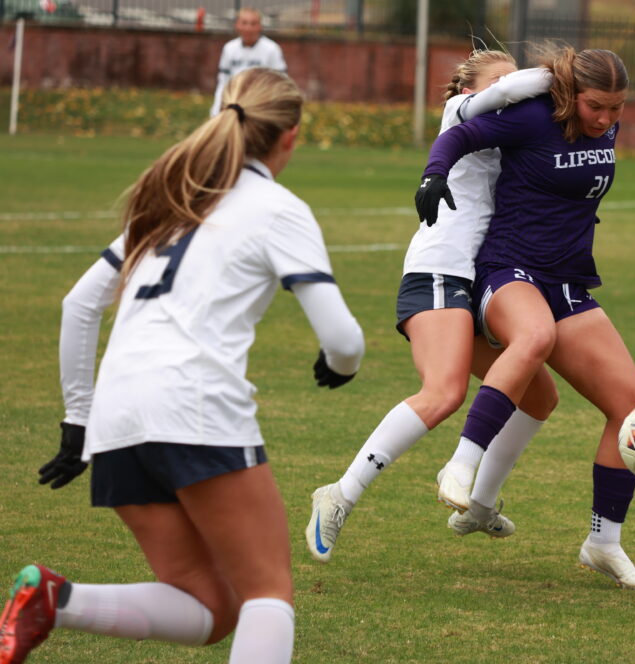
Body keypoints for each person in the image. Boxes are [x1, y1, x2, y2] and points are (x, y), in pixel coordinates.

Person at [0, 68, 364, 664]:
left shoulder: (170, 198)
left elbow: (79, 305)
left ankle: (53, 601)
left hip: (117, 418)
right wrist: (340, 364)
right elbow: (344, 340)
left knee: (210, 607)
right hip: (194, 406)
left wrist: (77, 418)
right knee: (267, 592)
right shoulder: (278, 207)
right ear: (291, 136)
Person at [417, 45, 635, 589]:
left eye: (617, 108)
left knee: (630, 410)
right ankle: (461, 463)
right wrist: (433, 175)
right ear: (574, 95)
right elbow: (457, 136)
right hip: (508, 268)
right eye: (596, 106)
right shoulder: (533, 115)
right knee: (534, 335)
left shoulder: (605, 127)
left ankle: (603, 543)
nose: (606, 119)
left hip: (567, 280)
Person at [305, 50, 558, 563]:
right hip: (440, 271)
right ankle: (340, 494)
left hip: (473, 281)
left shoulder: (508, 133)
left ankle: (479, 505)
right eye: (498, 79)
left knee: (538, 395)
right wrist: (567, 74)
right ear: (469, 90)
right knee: (443, 393)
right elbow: (509, 91)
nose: (509, 88)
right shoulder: (460, 111)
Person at [210, 8, 287, 117]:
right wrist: (216, 108)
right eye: (244, 23)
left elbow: (281, 81)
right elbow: (223, 81)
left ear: (260, 26)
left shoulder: (272, 49)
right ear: (237, 25)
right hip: (235, 101)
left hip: (260, 102)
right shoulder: (229, 48)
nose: (248, 28)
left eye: (253, 24)